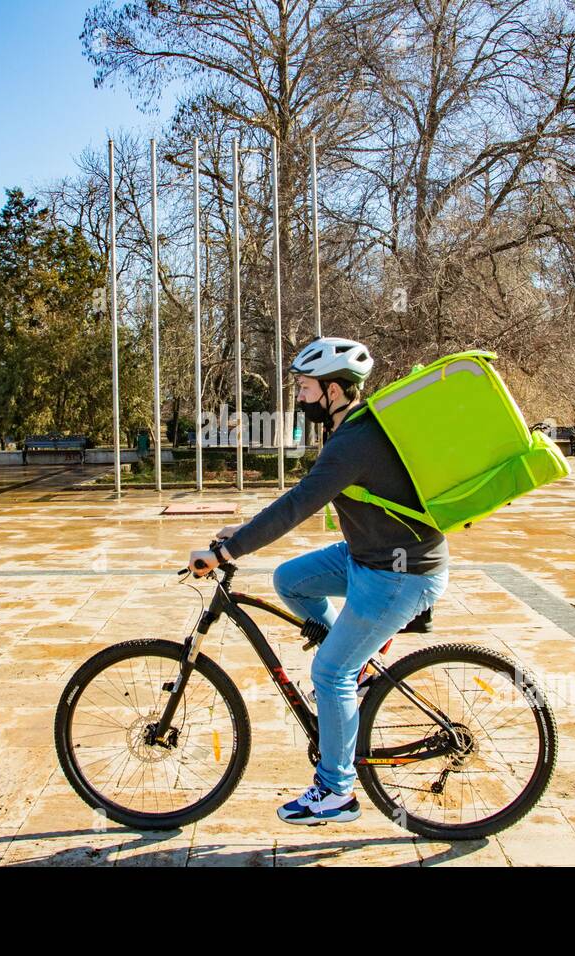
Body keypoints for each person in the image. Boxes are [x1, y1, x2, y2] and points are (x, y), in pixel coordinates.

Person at [188, 336, 449, 825]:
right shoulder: (350, 429)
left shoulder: (355, 441)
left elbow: (297, 505)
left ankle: (336, 791)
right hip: (368, 557)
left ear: (333, 390)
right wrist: (241, 533)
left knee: (330, 673)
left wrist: (226, 551)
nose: (300, 398)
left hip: (399, 574)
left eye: (306, 388)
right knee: (291, 580)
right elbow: (304, 496)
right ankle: (364, 672)